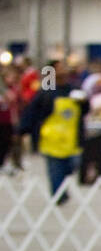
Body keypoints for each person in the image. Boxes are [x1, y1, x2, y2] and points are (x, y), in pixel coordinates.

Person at [17, 59, 85, 201]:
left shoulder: (74, 89)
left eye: (63, 68)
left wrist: (85, 103)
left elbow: (85, 110)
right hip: (51, 139)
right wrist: (22, 130)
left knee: (72, 165)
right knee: (55, 169)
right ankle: (58, 195)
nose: (63, 71)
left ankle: (61, 188)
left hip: (72, 139)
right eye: (58, 68)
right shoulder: (46, 91)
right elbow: (32, 111)